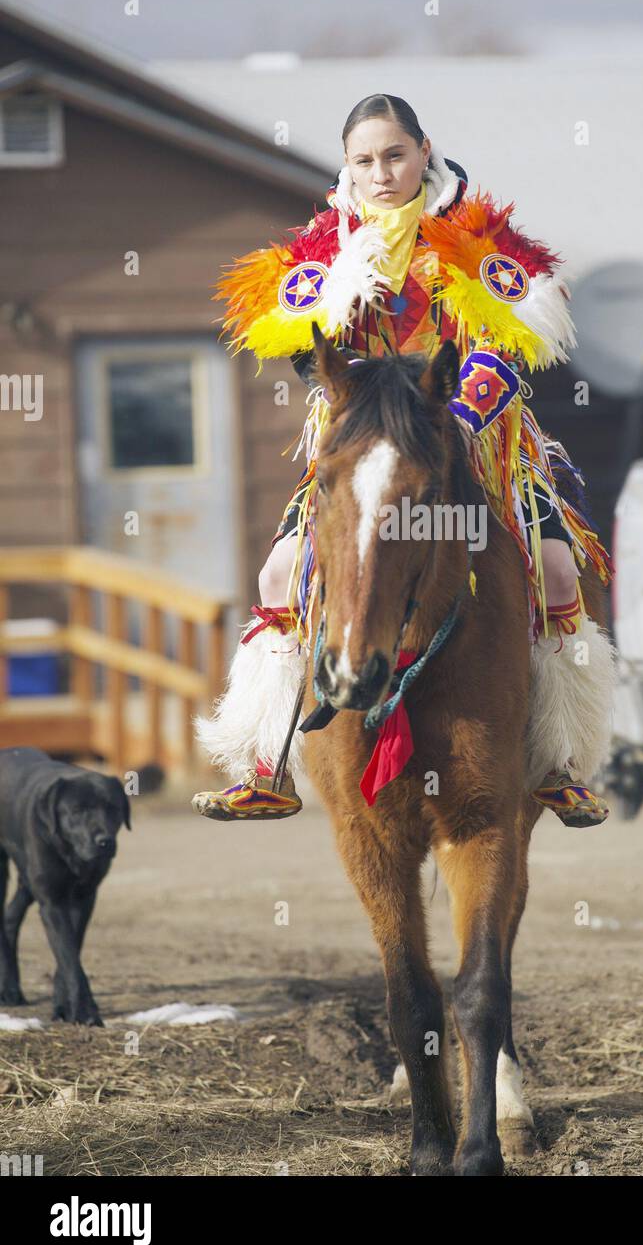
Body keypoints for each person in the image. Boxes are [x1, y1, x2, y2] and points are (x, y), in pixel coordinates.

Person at [192, 94, 615, 827]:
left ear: (425, 151)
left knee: (553, 569)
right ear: (347, 167)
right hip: (361, 450)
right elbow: (306, 352)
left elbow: (513, 344)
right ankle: (264, 762)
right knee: (278, 572)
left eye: (394, 155)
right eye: (365, 160)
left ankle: (562, 762)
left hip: (480, 443)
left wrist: (441, 419)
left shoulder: (480, 240)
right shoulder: (324, 251)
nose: (382, 173)